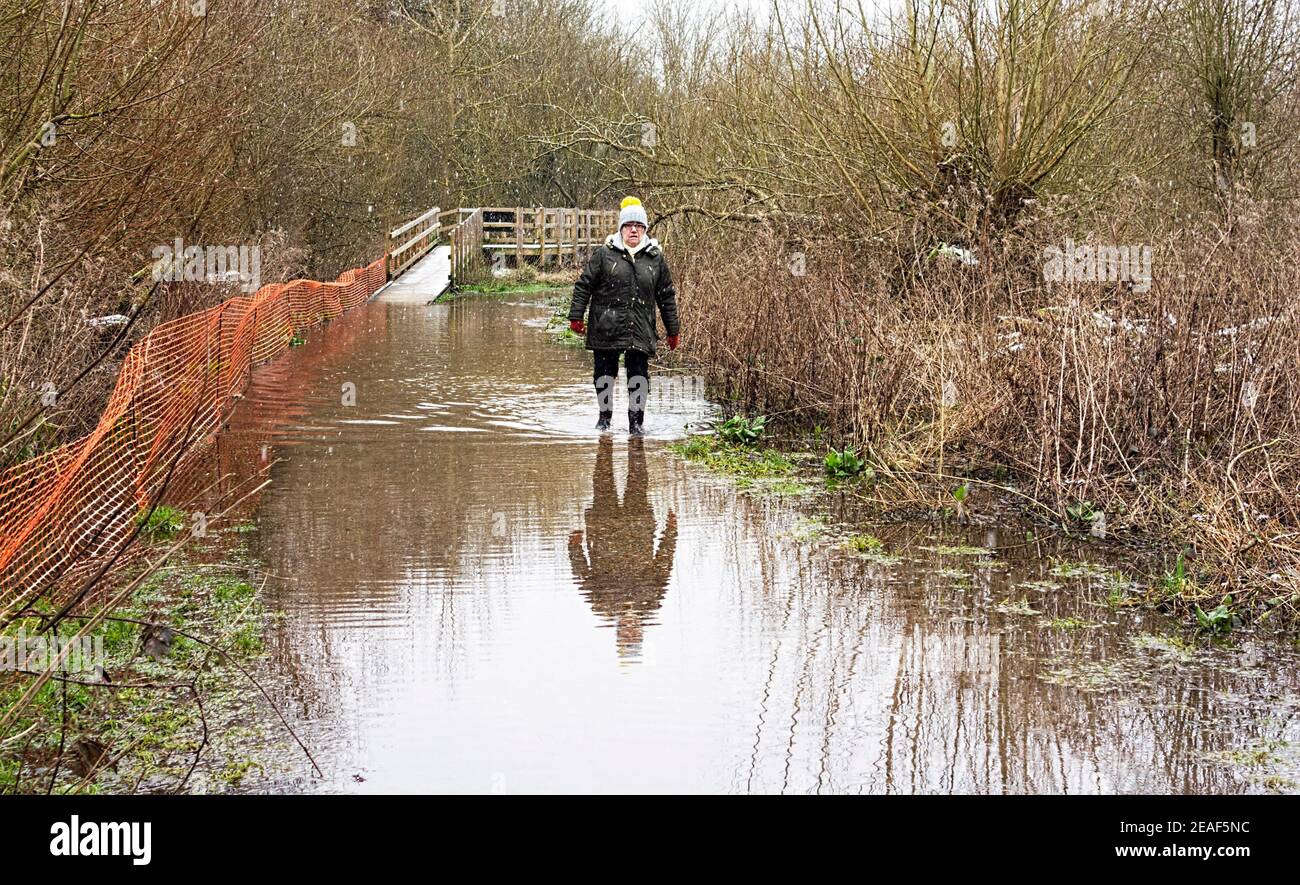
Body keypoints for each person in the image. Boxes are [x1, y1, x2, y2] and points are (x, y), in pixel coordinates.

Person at [567, 196, 681, 435]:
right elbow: (584, 285)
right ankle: (604, 419)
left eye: (639, 226)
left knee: (638, 378)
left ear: (645, 230)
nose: (634, 230)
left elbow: (666, 296)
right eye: (629, 225)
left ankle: (636, 425)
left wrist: (673, 330)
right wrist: (576, 316)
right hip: (606, 325)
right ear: (620, 228)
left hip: (639, 328)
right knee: (604, 376)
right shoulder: (604, 255)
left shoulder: (655, 259)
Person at [568, 435, 677, 660]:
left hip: (603, 524)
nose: (630, 629)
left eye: (626, 634)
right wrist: (671, 531)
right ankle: (636, 439)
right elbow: (664, 564)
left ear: (618, 633)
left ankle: (605, 440)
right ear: (640, 632)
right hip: (638, 523)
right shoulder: (652, 602)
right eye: (632, 634)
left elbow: (582, 575)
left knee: (602, 477)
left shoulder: (601, 605)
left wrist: (574, 547)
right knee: (638, 477)